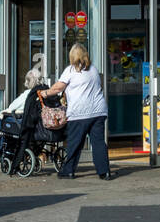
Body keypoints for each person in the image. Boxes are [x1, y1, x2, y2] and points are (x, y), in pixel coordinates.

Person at [45, 44, 113, 180]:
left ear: (72, 56)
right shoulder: (93, 69)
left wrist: (44, 93)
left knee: (75, 142)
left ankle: (68, 171)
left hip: (79, 113)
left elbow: (58, 87)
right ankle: (104, 172)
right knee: (98, 142)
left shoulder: (71, 70)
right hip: (98, 111)